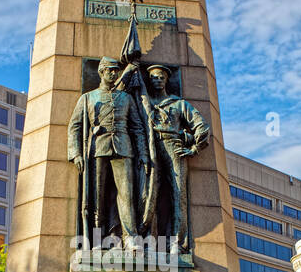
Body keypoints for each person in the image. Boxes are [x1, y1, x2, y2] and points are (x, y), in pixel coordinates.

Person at [67, 57, 150, 243]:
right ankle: (97, 239)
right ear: (101, 72)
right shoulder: (88, 98)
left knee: (126, 194)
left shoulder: (126, 98)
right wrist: (76, 154)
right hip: (98, 149)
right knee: (98, 196)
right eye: (110, 70)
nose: (114, 74)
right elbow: (75, 126)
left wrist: (143, 153)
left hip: (124, 147)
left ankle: (130, 237)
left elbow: (137, 128)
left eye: (116, 71)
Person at [143, 64, 209, 253]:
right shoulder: (144, 102)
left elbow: (201, 126)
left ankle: (177, 243)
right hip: (150, 148)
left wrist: (194, 147)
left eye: (161, 77)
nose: (157, 80)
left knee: (178, 195)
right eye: (154, 77)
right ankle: (148, 239)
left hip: (174, 148)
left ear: (166, 81)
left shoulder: (178, 104)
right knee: (149, 194)